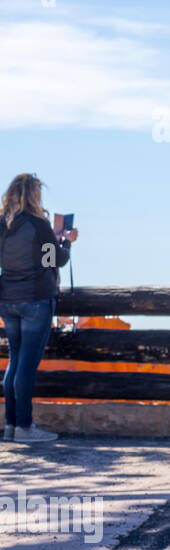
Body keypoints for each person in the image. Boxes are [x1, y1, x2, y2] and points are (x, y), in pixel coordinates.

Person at [0, 174, 77, 443]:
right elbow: (54, 259)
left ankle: (10, 426)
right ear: (34, 195)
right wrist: (65, 241)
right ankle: (24, 427)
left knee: (14, 361)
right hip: (35, 299)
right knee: (26, 366)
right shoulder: (38, 225)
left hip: (8, 301)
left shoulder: (3, 224)